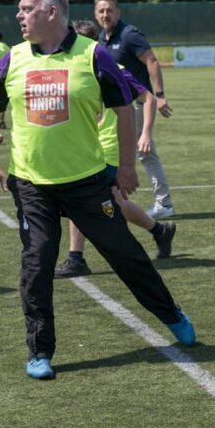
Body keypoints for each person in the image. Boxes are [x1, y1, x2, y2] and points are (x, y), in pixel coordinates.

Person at [0, 0, 195, 381]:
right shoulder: (11, 59)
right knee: (37, 262)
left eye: (26, 9)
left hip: (87, 183)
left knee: (124, 254)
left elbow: (124, 109)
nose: (18, 16)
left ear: (52, 12)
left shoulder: (93, 55)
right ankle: (40, 350)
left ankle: (172, 314)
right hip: (31, 185)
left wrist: (127, 167)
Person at [54, 19, 176, 278]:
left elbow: (148, 98)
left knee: (85, 199)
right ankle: (159, 231)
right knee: (114, 202)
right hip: (88, 147)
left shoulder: (113, 68)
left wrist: (145, 133)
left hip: (110, 149)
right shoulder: (72, 68)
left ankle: (77, 258)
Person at [95, 0, 176, 219]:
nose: (105, 14)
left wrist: (159, 95)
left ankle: (164, 203)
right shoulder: (101, 39)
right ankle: (116, 200)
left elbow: (151, 61)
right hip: (116, 108)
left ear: (118, 12)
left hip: (139, 104)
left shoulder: (129, 35)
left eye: (109, 10)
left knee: (145, 151)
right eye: (101, 11)